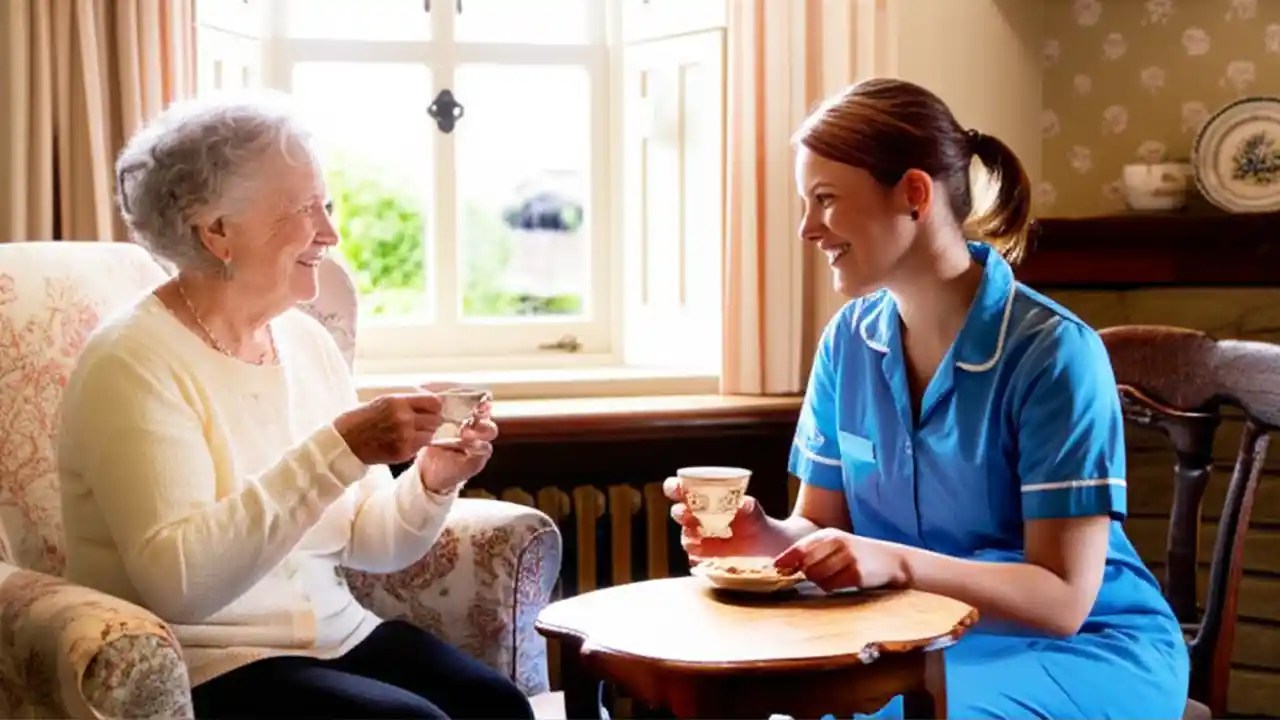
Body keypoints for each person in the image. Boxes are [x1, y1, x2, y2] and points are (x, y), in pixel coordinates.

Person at [666, 78, 1189, 719]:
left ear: (914, 194)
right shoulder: (847, 345)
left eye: (825, 199)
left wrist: (895, 564)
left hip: (1090, 648)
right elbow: (821, 524)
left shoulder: (1054, 354)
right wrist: (764, 537)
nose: (807, 228)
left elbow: (1061, 601)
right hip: (912, 639)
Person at [58, 94, 534, 720]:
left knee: (495, 706)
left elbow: (368, 542)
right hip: (207, 662)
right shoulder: (133, 362)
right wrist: (341, 447)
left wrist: (431, 480)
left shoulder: (304, 340)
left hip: (335, 637)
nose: (330, 234)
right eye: (303, 210)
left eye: (325, 205)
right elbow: (181, 585)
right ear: (217, 231)